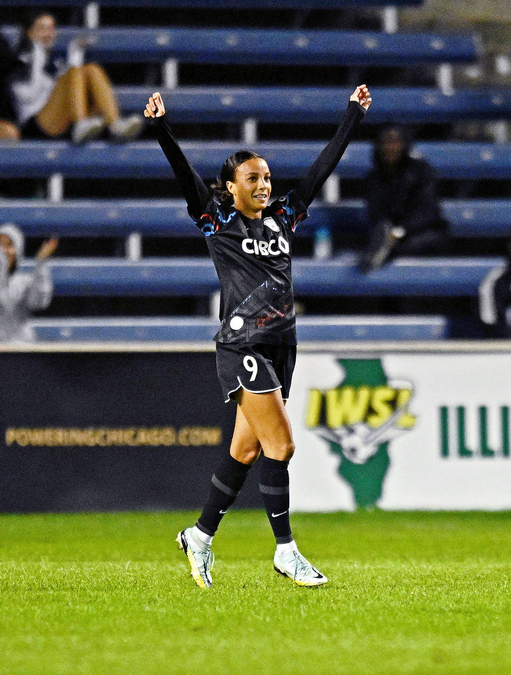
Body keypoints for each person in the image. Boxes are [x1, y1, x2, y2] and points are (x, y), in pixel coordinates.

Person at [146, 84, 371, 588]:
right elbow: (185, 177)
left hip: (282, 344)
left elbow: (319, 171)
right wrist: (161, 130)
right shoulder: (217, 219)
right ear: (230, 187)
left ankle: (200, 535)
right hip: (242, 345)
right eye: (253, 178)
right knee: (282, 445)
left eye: (267, 177)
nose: (265, 185)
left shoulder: (284, 218)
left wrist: (352, 117)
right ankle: (286, 551)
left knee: (245, 451)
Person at [11, 11, 142, 143]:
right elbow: (26, 95)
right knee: (74, 71)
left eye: (51, 29)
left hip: (63, 120)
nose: (48, 34)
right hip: (35, 125)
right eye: (42, 28)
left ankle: (115, 125)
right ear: (29, 32)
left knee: (92, 69)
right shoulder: (19, 61)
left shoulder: (54, 60)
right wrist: (38, 57)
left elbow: (65, 85)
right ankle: (80, 123)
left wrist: (72, 60)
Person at [358, 126, 450, 273]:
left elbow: (427, 212)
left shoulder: (421, 172)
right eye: (386, 142)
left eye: (395, 142)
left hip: (421, 232)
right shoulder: (373, 179)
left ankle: (383, 253)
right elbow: (376, 215)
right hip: (388, 236)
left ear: (404, 144)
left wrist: (401, 231)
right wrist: (387, 232)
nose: (390, 147)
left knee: (417, 244)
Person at [0, 223, 56, 342]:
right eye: (0, 244)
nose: (3, 250)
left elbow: (39, 302)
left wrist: (40, 264)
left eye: (9, 245)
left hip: (20, 347)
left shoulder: (24, 282)